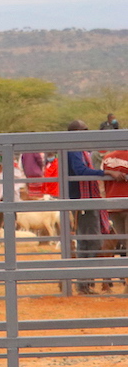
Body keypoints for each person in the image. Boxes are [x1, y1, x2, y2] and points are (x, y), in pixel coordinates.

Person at [65, 120, 124, 294]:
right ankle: (84, 284)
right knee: (88, 240)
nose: (87, 132)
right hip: (83, 199)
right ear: (76, 132)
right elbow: (80, 170)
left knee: (91, 239)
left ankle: (86, 282)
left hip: (87, 198)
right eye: (84, 129)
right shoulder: (75, 149)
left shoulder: (81, 150)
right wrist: (107, 172)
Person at [102, 146, 128, 292]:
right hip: (125, 203)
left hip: (112, 204)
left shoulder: (107, 157)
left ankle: (106, 282)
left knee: (112, 244)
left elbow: (101, 180)